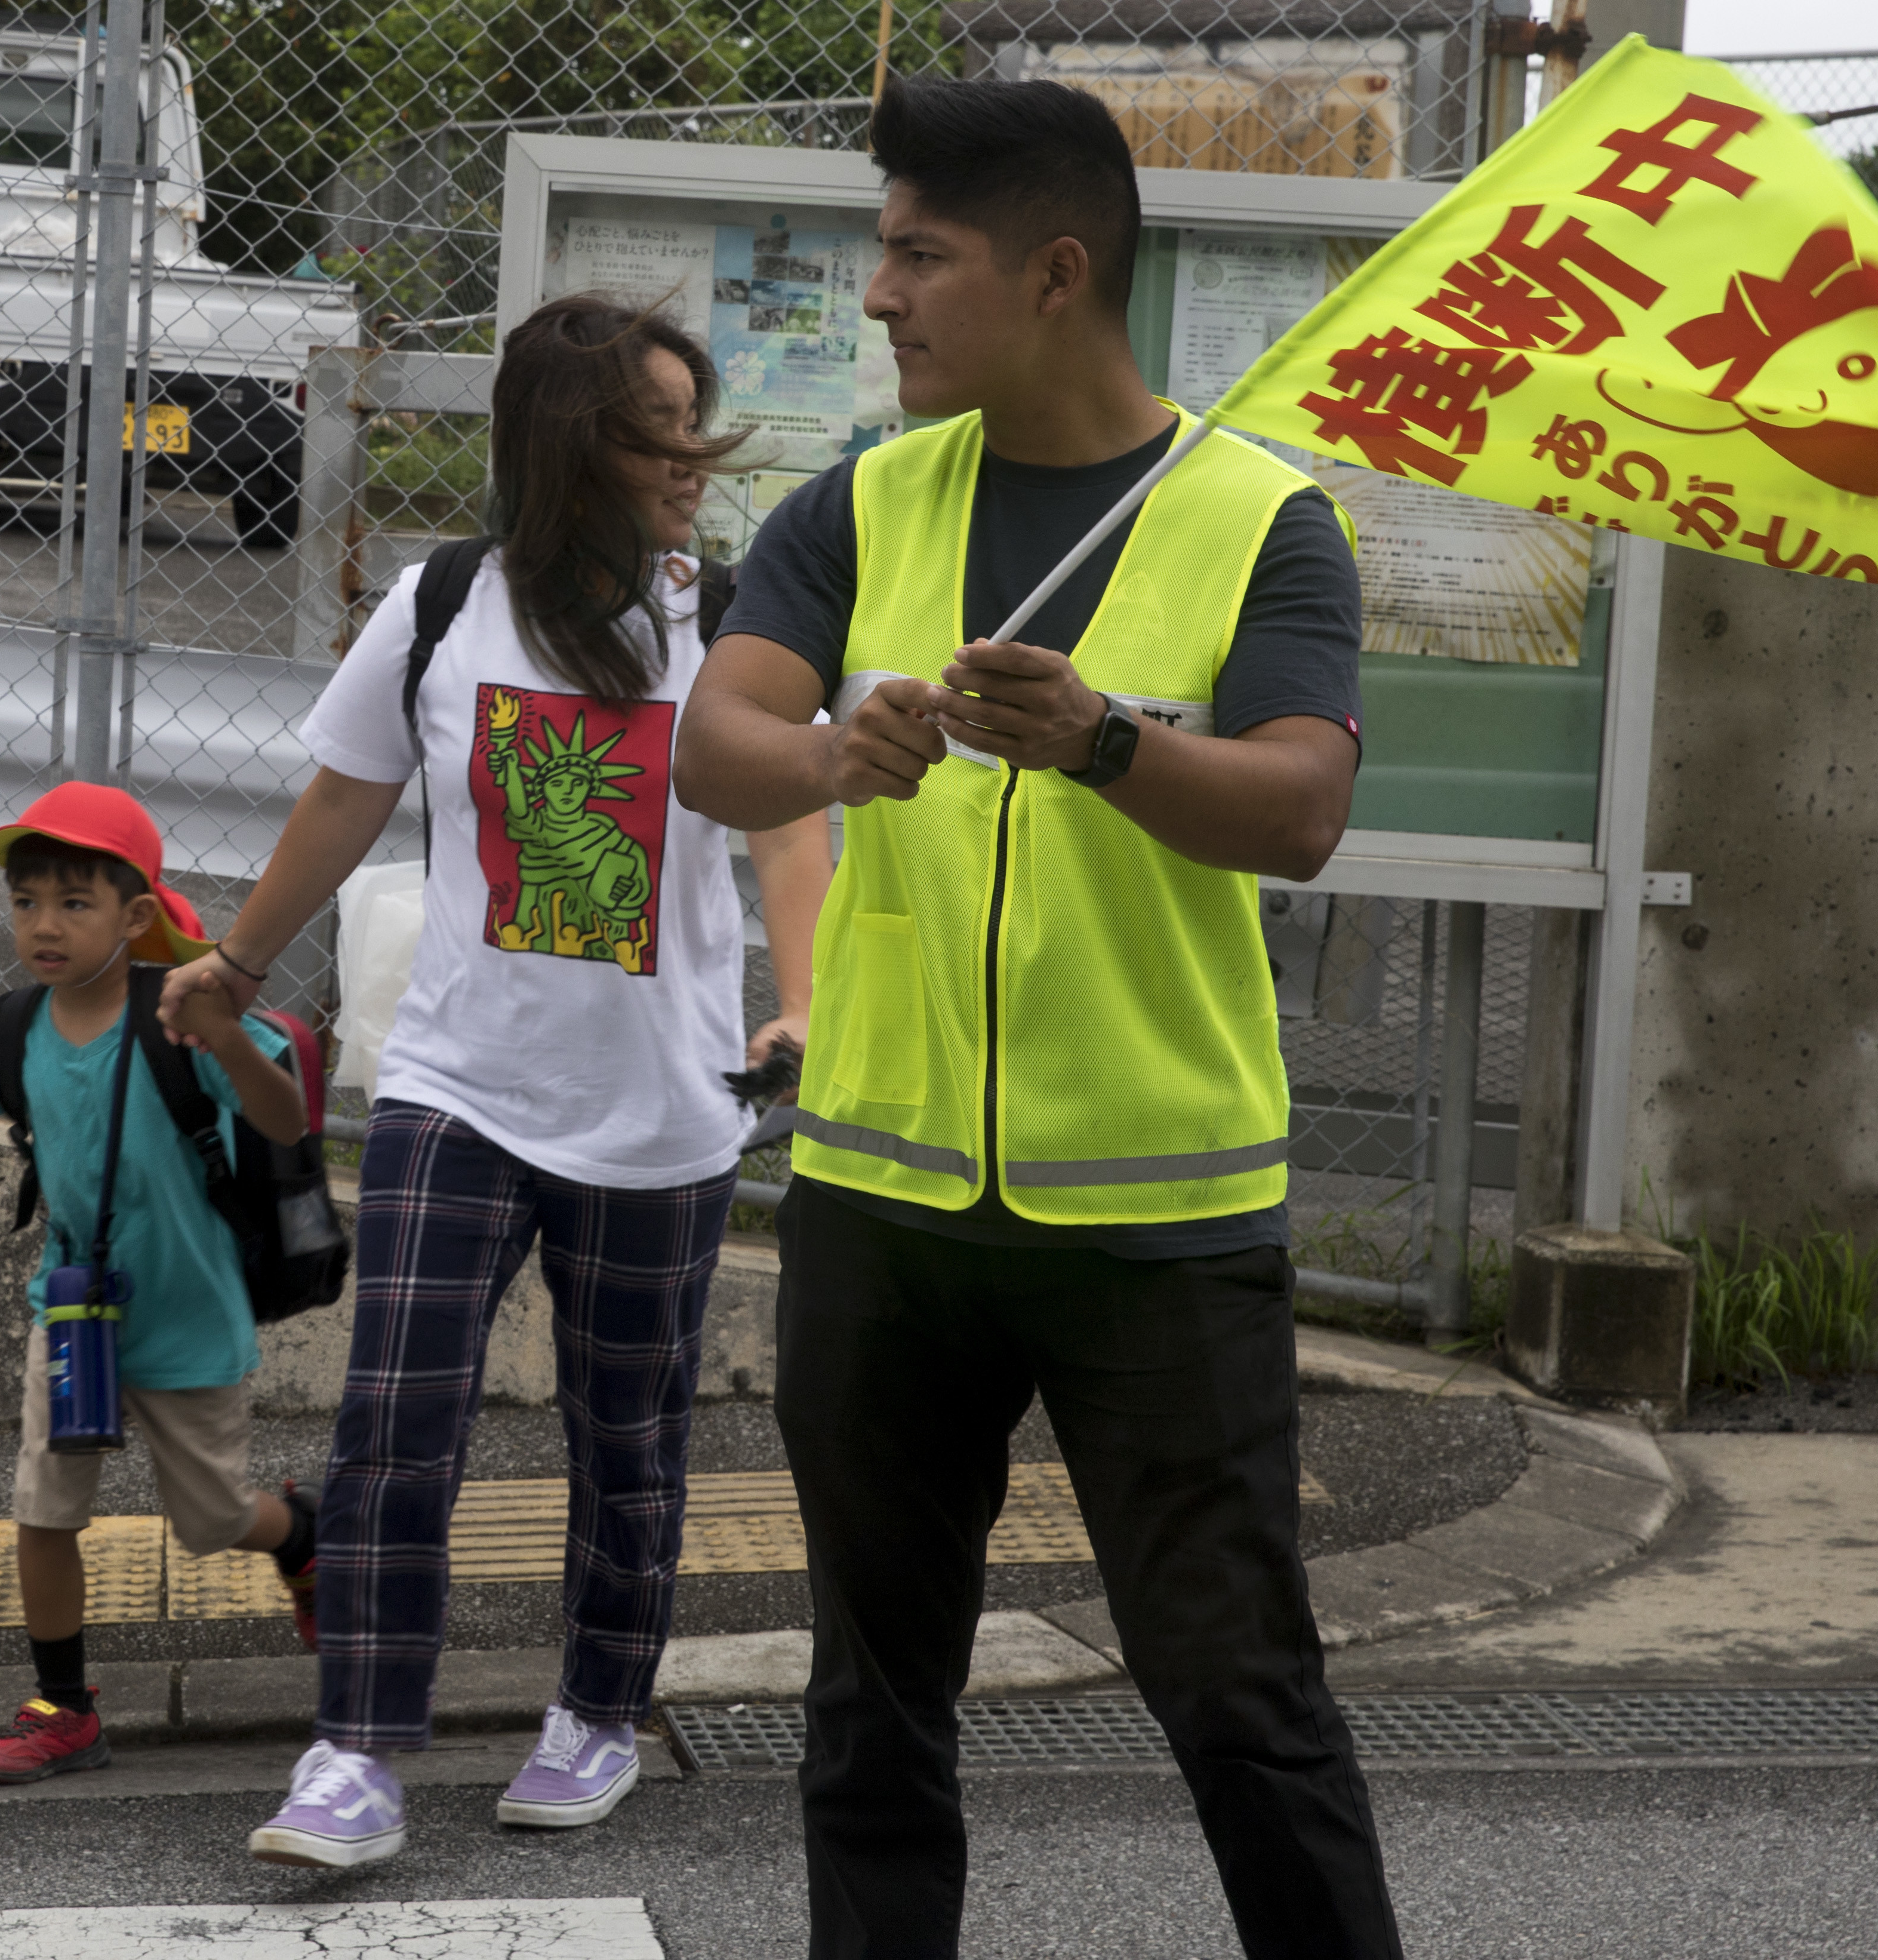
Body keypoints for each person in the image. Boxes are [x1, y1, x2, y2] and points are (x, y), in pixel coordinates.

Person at [675, 76, 1403, 1960]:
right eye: (882, 251)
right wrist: (836, 749)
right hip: (880, 1205)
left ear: (1056, 273)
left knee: (1241, 1701)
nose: (878, 296)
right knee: (870, 1709)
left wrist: (1099, 738)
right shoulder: (863, 499)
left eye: (920, 254)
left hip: (1157, 1226)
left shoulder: (1261, 520)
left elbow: (1300, 807)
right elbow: (711, 744)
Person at [155, 293, 835, 1870]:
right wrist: (238, 967)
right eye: (656, 430)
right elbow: (342, 798)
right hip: (459, 1085)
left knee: (628, 1433)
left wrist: (800, 1004)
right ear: (565, 447)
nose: (689, 461)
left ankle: (598, 1707)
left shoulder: (725, 626)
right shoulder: (443, 604)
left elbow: (793, 819)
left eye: (695, 425)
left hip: (664, 1106)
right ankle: (357, 1753)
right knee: (396, 1422)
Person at [0, 781, 321, 1785]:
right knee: (44, 1510)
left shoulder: (180, 1017)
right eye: (26, 901)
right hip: (76, 1315)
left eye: (73, 903)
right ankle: (64, 1708)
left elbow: (287, 1121)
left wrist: (222, 1036)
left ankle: (307, 1530)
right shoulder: (17, 1026)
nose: (43, 924)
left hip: (186, 1310)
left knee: (212, 1521)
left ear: (135, 918)